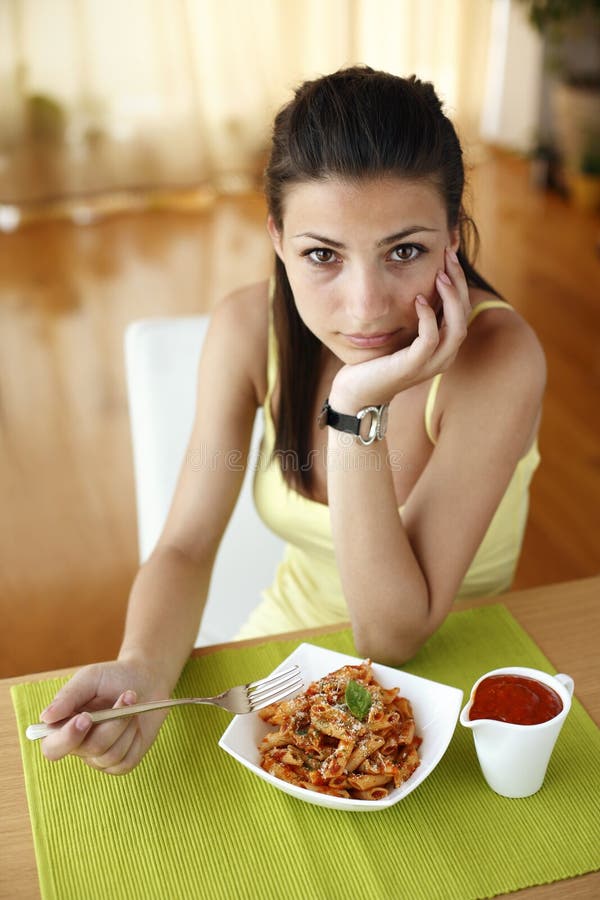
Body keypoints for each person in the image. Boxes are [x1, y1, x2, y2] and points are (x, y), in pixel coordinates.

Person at [39, 66, 545, 775]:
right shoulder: (248, 330)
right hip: (280, 666)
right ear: (277, 237)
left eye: (405, 251)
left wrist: (355, 407)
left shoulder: (500, 359)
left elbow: (393, 634)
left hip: (461, 682)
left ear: (452, 238)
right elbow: (184, 544)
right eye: (322, 255)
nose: (366, 306)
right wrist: (142, 671)